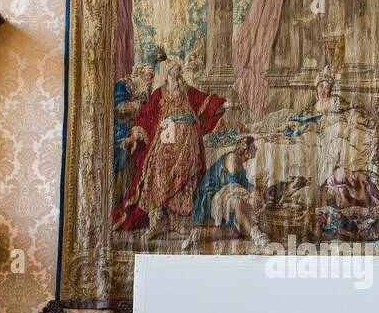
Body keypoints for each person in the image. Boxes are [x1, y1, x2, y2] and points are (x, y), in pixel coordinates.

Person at [111, 57, 226, 241]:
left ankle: (174, 221)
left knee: (181, 180)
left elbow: (205, 100)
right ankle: (155, 222)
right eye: (175, 69)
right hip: (164, 142)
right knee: (156, 175)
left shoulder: (187, 91)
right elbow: (145, 117)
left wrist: (224, 104)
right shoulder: (159, 93)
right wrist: (134, 136)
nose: (179, 72)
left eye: (179, 70)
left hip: (186, 143)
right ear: (168, 72)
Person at [185, 135, 268, 248]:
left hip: (226, 192)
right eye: (253, 147)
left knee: (233, 232)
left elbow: (242, 183)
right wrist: (249, 197)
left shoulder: (239, 162)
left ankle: (200, 234)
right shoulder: (232, 159)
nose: (256, 149)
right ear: (246, 150)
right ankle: (256, 234)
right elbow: (232, 187)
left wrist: (255, 190)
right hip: (213, 194)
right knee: (239, 202)